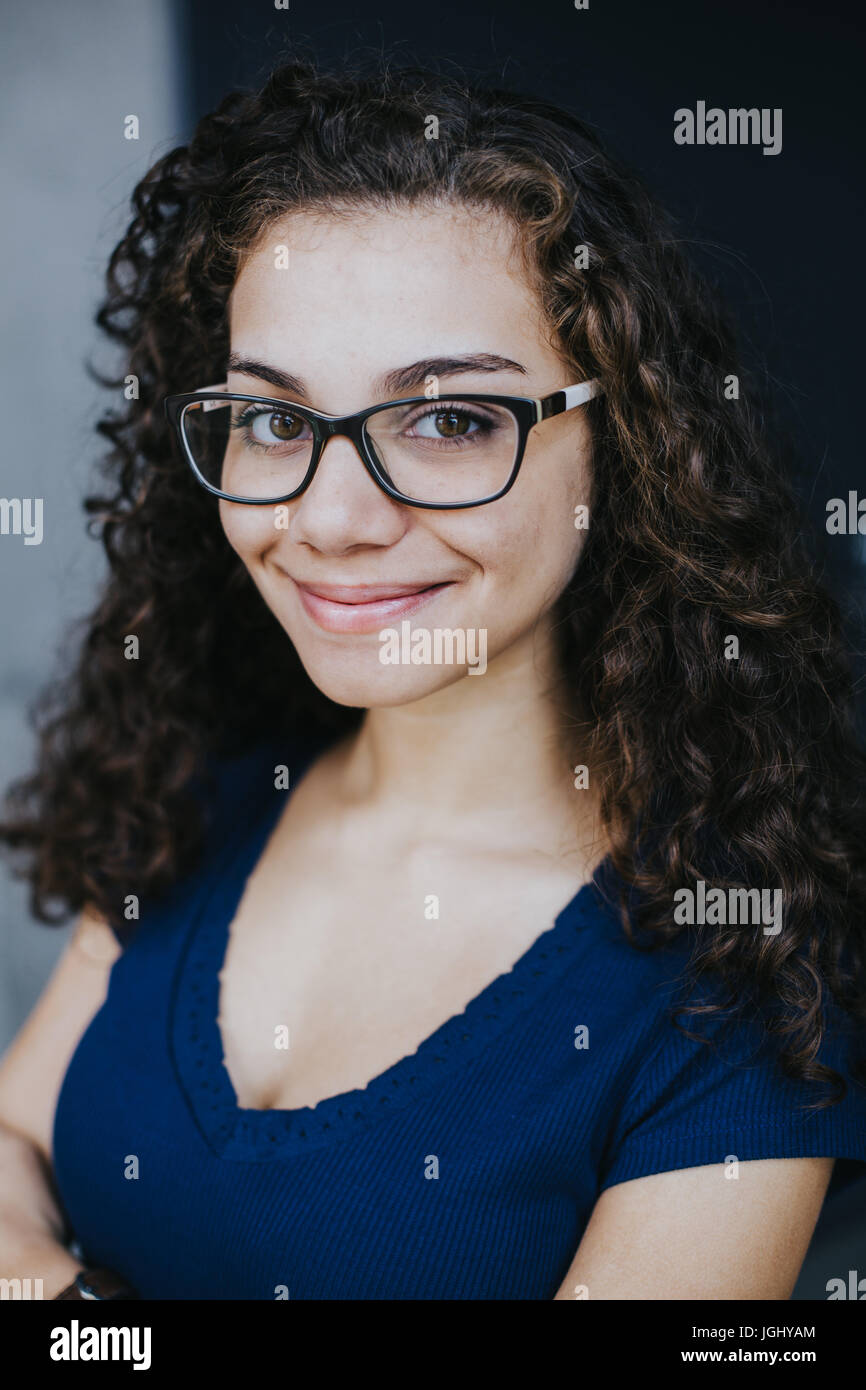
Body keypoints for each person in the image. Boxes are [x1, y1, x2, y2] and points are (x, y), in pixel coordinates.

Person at [1, 55, 864, 1302]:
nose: (330, 515)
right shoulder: (199, 794)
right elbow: (17, 1137)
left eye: (451, 420)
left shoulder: (733, 981)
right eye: (274, 419)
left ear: (620, 445)